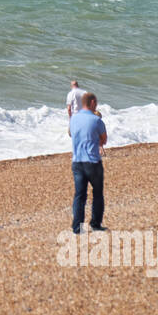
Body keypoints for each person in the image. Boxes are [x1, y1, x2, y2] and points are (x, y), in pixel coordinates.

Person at [68, 92, 108, 234]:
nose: (96, 105)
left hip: (77, 161)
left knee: (79, 195)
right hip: (92, 161)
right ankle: (95, 224)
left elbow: (70, 133)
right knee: (97, 193)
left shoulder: (73, 119)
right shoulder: (97, 120)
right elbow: (104, 139)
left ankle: (77, 227)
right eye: (95, 102)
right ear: (91, 103)